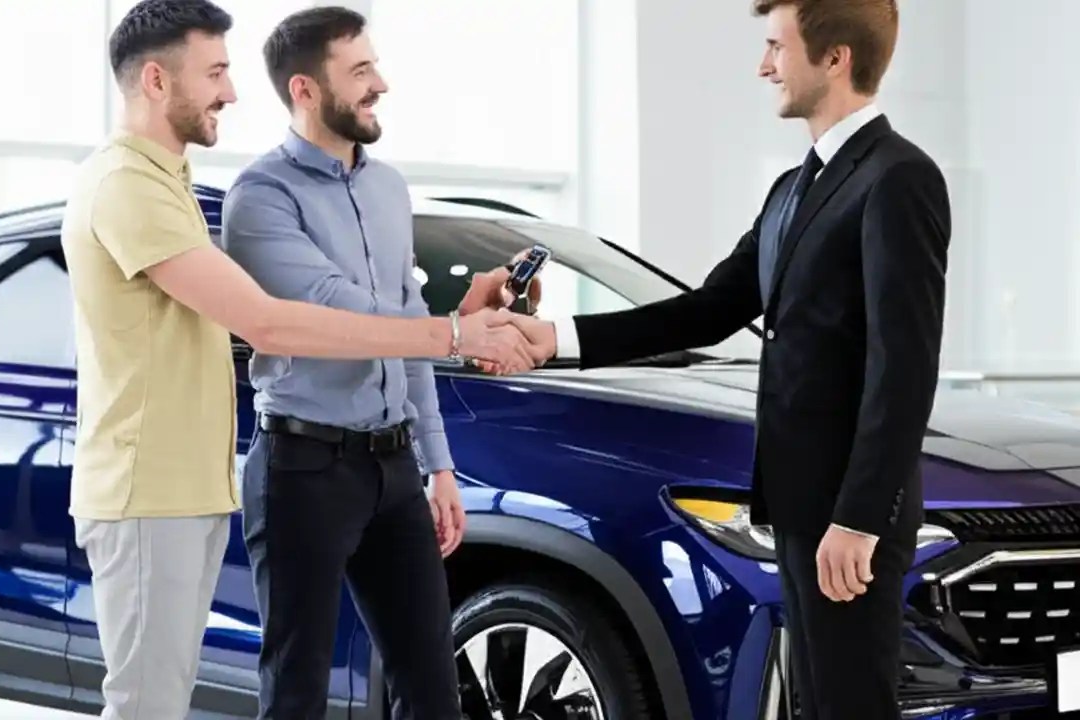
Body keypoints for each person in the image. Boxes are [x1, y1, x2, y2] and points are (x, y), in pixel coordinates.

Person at [475, 1, 951, 718]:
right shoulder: (792, 190)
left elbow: (903, 368)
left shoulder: (898, 179)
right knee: (816, 703)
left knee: (854, 702)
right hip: (794, 505)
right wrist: (560, 339)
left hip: (851, 515)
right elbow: (707, 309)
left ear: (835, 58)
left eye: (775, 47)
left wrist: (858, 520)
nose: (764, 67)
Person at [60, 2, 533, 718]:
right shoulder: (145, 187)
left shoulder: (169, 180)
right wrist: (453, 336)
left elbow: (387, 314)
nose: (231, 90)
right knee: (164, 705)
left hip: (201, 485)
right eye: (215, 71)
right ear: (157, 81)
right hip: (190, 483)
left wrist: (441, 408)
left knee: (165, 702)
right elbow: (272, 322)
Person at [217, 7, 479, 718]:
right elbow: (344, 314)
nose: (381, 85)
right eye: (360, 72)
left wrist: (439, 464)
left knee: (432, 691)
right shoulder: (261, 199)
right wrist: (460, 331)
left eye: (376, 66)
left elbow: (407, 324)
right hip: (304, 469)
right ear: (305, 90)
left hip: (392, 469)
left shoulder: (389, 188)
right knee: (298, 691)